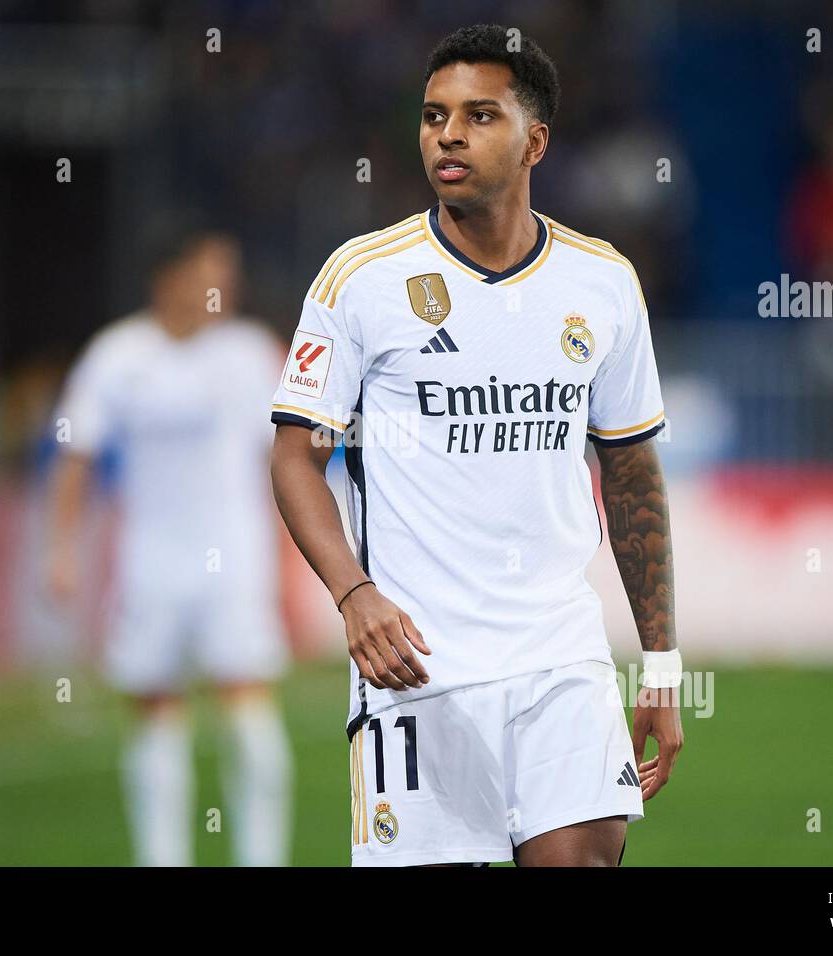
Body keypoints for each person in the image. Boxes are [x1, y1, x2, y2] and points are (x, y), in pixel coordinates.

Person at [269, 24, 682, 867]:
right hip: (417, 672)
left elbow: (633, 471)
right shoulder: (361, 278)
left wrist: (663, 667)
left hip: (563, 663)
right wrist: (353, 596)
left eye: (479, 115)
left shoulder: (601, 282)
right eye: (432, 115)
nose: (447, 133)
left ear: (535, 141)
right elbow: (294, 457)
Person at [49, 230, 292, 866]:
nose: (226, 288)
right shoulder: (118, 355)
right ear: (171, 277)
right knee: (155, 707)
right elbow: (75, 455)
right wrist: (62, 549)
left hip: (234, 559)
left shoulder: (248, 354)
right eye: (213, 272)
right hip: (151, 561)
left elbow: (290, 458)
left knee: (248, 709)